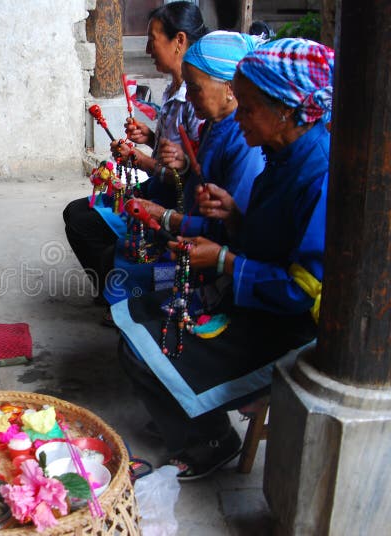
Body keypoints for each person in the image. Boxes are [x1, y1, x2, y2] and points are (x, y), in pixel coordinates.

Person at [113, 38, 334, 480]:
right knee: (135, 301)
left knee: (142, 344)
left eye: (249, 107)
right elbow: (264, 239)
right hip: (248, 292)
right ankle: (188, 413)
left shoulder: (320, 172)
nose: (241, 115)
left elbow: (300, 289)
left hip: (287, 327)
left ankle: (212, 440)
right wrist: (233, 218)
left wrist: (223, 260)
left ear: (286, 110)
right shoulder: (281, 154)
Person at [102, 31, 266, 306]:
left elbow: (227, 232)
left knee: (131, 280)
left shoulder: (245, 142)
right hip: (189, 239)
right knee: (120, 259)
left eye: (195, 88)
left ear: (230, 88)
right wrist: (184, 166)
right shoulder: (213, 125)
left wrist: (163, 216)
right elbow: (197, 192)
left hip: (210, 268)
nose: (188, 97)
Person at [64, 0, 207, 297]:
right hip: (157, 189)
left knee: (83, 224)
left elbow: (184, 176)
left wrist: (141, 160)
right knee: (76, 212)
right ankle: (114, 293)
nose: (147, 50)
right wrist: (151, 139)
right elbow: (177, 154)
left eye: (153, 40)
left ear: (179, 41)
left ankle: (122, 295)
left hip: (171, 203)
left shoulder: (197, 103)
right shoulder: (172, 90)